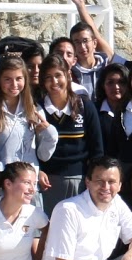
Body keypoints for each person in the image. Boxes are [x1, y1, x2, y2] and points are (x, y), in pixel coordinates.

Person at [38, 54, 103, 212]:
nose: (54, 82)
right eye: (48, 77)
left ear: (67, 75)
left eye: (58, 75)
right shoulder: (37, 109)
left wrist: (92, 181)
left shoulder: (84, 106)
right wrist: (38, 171)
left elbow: (97, 150)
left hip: (80, 182)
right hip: (47, 183)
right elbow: (29, 148)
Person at [0, 55, 58, 184]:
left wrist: (50, 133)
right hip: (3, 184)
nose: (14, 84)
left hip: (29, 184)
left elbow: (44, 156)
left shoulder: (34, 110)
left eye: (19, 79)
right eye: (7, 79)